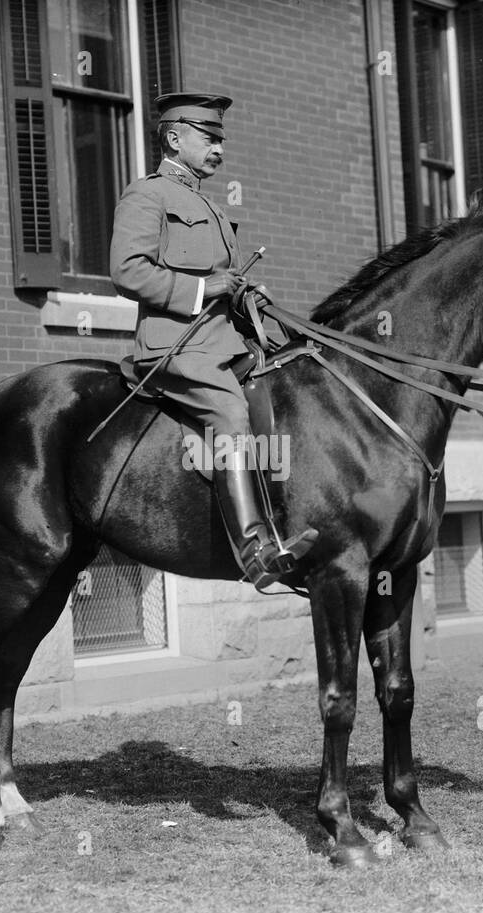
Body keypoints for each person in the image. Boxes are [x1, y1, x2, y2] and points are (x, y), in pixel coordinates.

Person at [109, 92, 317, 588]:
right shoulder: (148, 195)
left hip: (224, 342)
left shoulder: (209, 205)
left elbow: (223, 281)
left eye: (221, 139)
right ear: (175, 138)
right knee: (228, 413)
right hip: (176, 346)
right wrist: (204, 288)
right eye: (209, 137)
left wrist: (246, 294)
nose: (219, 148)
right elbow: (127, 271)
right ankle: (255, 552)